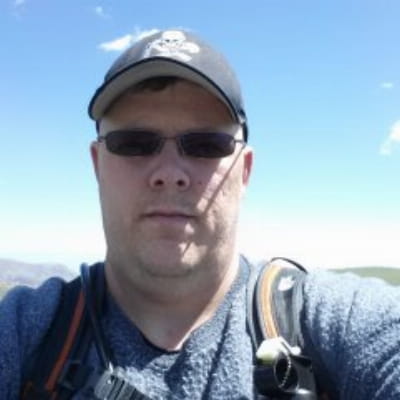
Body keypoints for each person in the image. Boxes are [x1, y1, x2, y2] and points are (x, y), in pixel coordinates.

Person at [1, 29, 400, 400]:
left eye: (206, 145)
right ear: (97, 165)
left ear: (244, 172)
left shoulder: (334, 323)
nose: (169, 173)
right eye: (134, 142)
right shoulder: (24, 332)